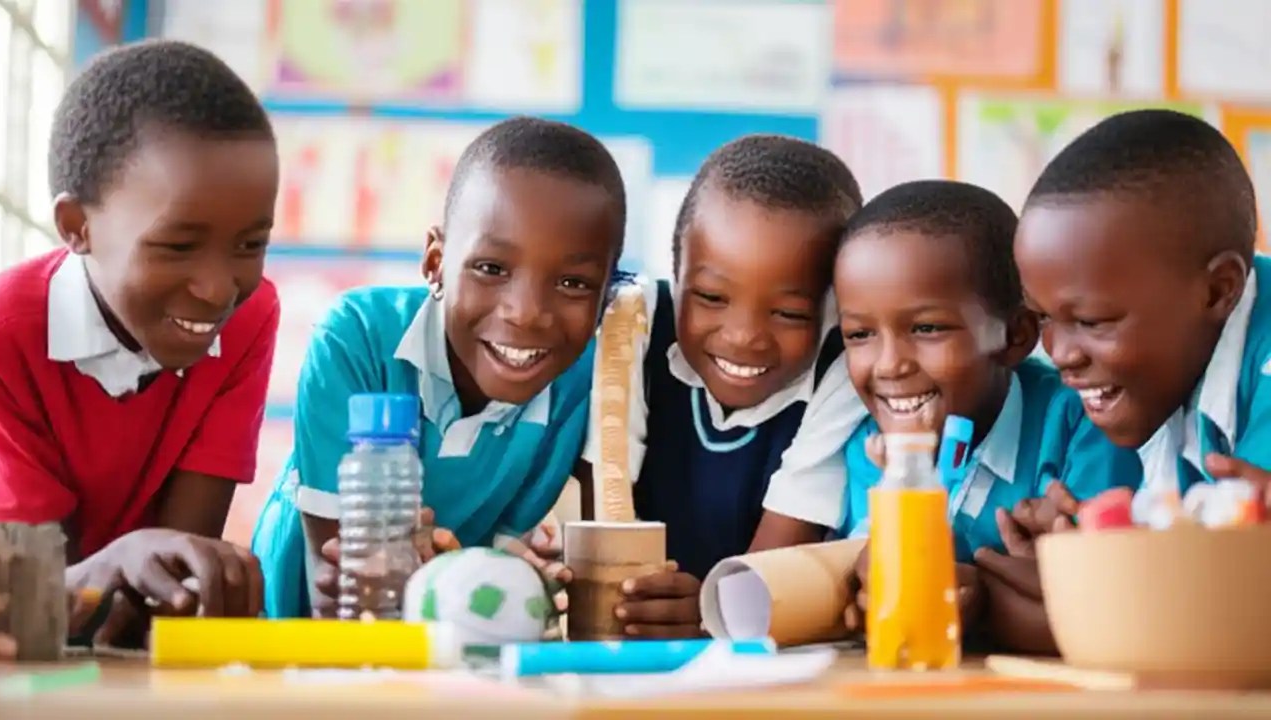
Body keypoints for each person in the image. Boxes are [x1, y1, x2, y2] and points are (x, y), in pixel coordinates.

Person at [251, 117, 626, 619]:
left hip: (447, 628)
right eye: (491, 269)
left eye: (574, 283)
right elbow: (341, 576)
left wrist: (516, 576)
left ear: (607, 295)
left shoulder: (581, 385)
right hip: (295, 621)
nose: (526, 312)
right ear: (435, 262)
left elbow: (496, 557)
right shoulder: (355, 337)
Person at [0, 40, 279, 647]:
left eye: (250, 245)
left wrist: (188, 580)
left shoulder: (250, 316)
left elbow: (169, 587)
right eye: (177, 245)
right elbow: (23, 603)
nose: (219, 288)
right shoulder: (3, 336)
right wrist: (119, 564)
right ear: (76, 227)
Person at [989, 108, 1271, 652]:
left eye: (1092, 322)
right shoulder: (1170, 368)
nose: (1062, 354)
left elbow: (1218, 618)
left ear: (1218, 290)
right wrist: (1089, 560)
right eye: (1044, 317)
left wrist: (1020, 612)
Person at [818, 180, 1141, 638]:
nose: (889, 364)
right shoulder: (865, 446)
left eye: (927, 328)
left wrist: (980, 599)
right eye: (859, 334)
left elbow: (1111, 598)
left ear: (1015, 336)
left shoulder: (1083, 422)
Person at [579, 135, 866, 638]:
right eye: (711, 296)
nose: (744, 337)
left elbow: (762, 585)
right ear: (676, 273)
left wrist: (710, 613)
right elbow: (605, 506)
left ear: (835, 306)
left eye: (789, 313)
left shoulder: (844, 370)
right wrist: (627, 595)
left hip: (760, 657)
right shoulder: (635, 324)